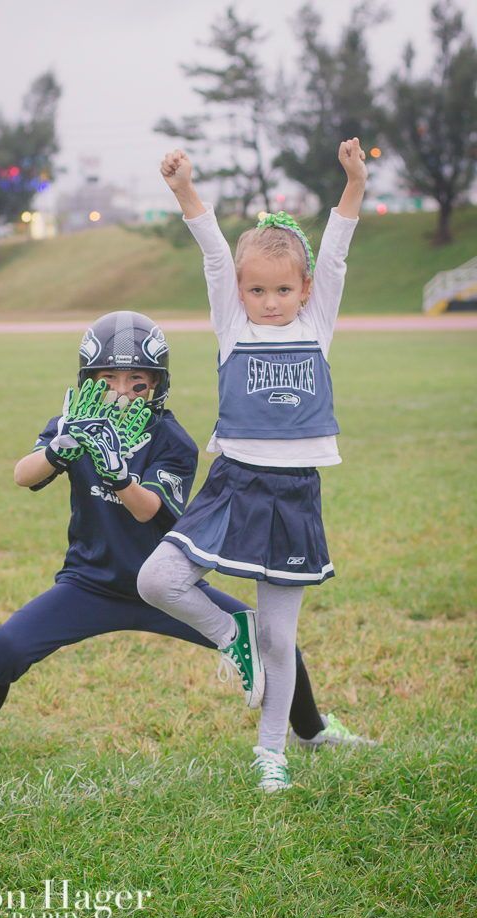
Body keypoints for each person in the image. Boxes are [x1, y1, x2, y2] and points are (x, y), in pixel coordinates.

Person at [0, 313, 366, 786]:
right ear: (88, 380)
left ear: (158, 383)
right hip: (90, 582)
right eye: (109, 379)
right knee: (5, 647)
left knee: (274, 642)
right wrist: (63, 446)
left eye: (138, 382)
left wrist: (117, 473)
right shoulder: (76, 421)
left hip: (163, 589)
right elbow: (23, 474)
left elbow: (146, 509)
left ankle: (312, 730)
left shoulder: (171, 438)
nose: (123, 391)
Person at [138, 140, 372, 793]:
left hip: (294, 493)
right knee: (159, 580)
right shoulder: (233, 327)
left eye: (283, 289)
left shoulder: (316, 323)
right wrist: (185, 188)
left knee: (281, 637)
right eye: (257, 289)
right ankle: (229, 633)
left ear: (304, 291)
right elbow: (215, 252)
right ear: (240, 292)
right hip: (234, 484)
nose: (270, 300)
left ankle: (273, 753)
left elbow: (337, 251)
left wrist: (353, 184)